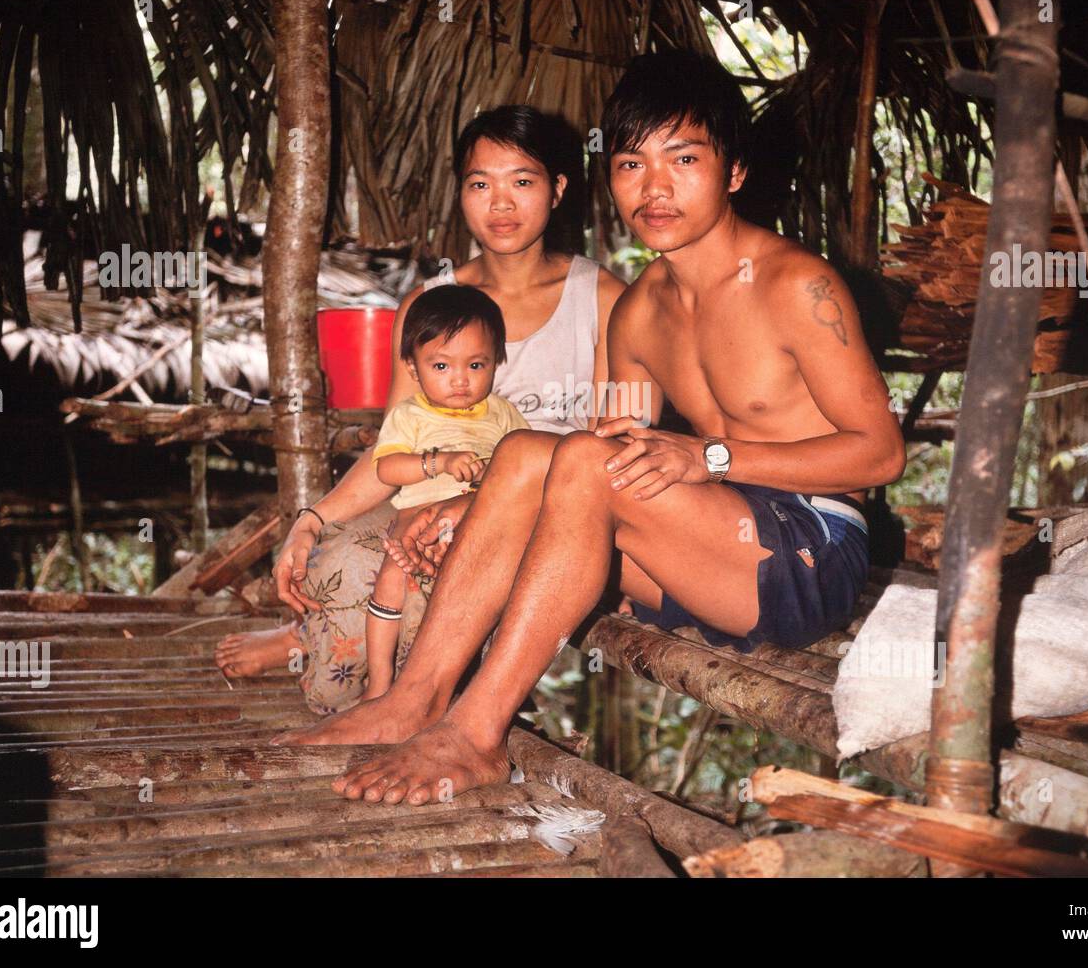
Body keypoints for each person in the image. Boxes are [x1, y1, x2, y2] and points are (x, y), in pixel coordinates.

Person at [274, 49, 905, 811]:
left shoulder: (797, 286)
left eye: (684, 159)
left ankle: (475, 734)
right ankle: (412, 699)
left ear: (733, 171)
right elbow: (596, 466)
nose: (655, 186)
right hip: (696, 550)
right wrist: (474, 508)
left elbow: (880, 453)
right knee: (529, 450)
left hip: (806, 552)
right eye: (633, 163)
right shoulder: (641, 309)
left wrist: (709, 455)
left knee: (568, 455)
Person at [214, 105, 625, 712]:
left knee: (429, 565)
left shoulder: (604, 300)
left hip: (545, 517)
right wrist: (313, 519)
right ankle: (321, 641)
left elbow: (606, 455)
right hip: (428, 502)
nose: (501, 204)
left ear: (558, 189)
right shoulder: (428, 307)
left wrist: (476, 505)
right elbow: (395, 449)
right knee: (348, 554)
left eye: (523, 181)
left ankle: (395, 694)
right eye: (480, 184)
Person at [363, 285, 528, 699]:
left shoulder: (504, 415)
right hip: (416, 516)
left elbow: (526, 465)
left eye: (476, 364)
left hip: (478, 520)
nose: (459, 379)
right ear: (413, 369)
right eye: (441, 366)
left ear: (497, 362)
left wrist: (491, 471)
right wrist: (438, 462)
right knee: (390, 577)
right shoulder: (411, 415)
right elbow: (386, 467)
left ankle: (467, 691)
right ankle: (379, 682)